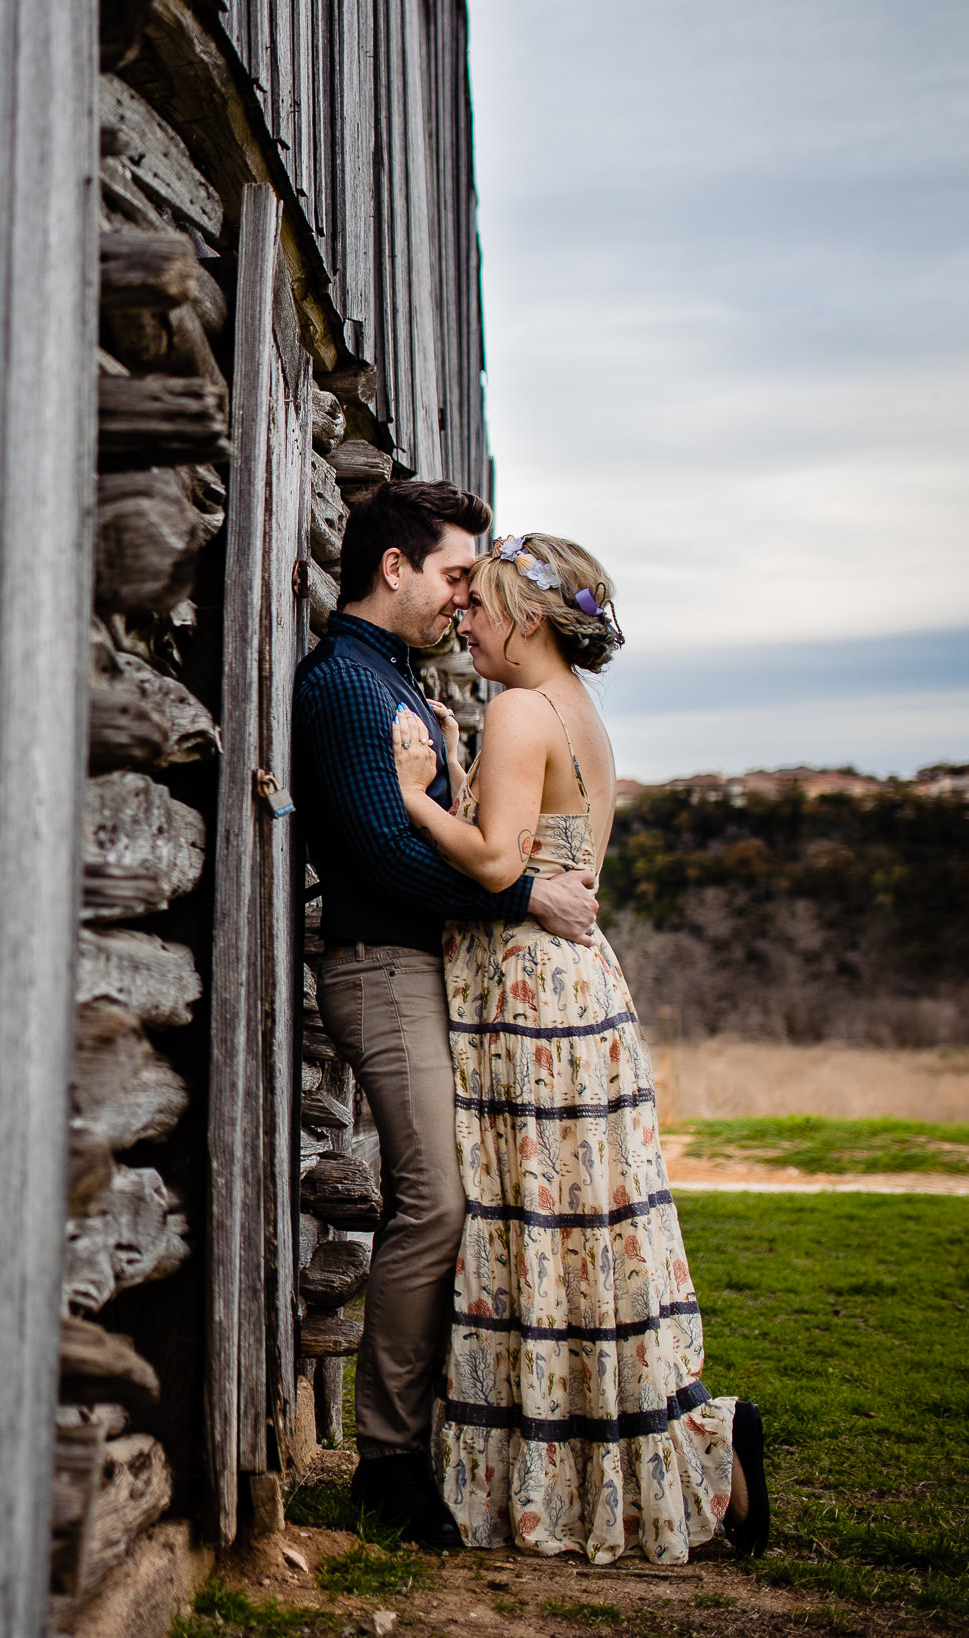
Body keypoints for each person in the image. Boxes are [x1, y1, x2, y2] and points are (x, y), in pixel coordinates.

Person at [389, 531, 768, 1564]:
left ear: (528, 617)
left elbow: (491, 859)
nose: (465, 617)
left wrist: (417, 794)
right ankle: (686, 1453)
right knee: (583, 1228)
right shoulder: (574, 712)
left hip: (528, 989)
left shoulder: (517, 707)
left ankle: (643, 1469)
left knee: (539, 1216)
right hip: (578, 984)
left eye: (483, 604)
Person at [293, 482, 603, 1551]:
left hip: (429, 972)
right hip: (379, 969)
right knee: (433, 1204)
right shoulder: (343, 684)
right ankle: (386, 1464)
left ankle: (450, 1435)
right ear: (393, 568)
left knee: (468, 1201)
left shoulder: (395, 680)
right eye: (454, 577)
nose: (463, 600)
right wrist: (519, 894)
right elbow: (380, 851)